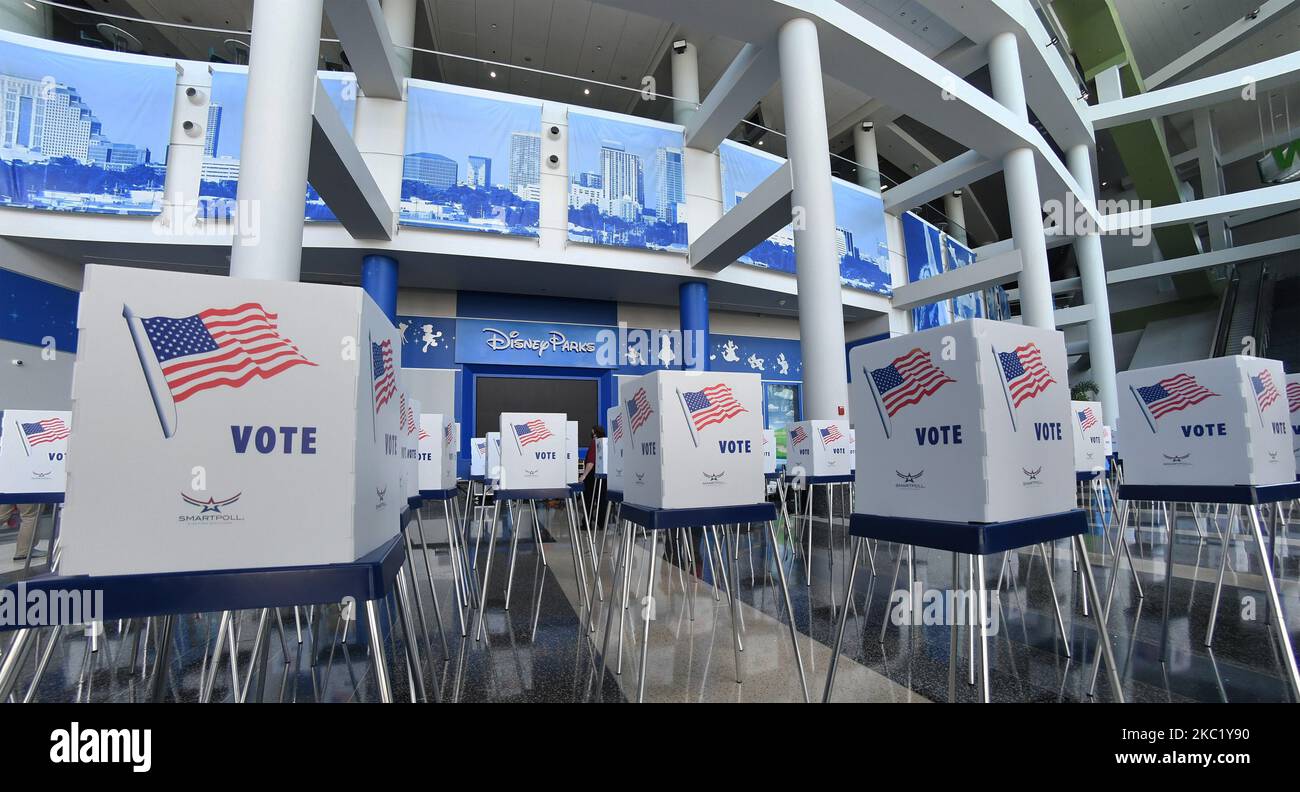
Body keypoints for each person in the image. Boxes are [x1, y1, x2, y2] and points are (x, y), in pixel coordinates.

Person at [579, 424, 605, 529]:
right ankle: (602, 523)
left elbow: (591, 461)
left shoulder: (595, 443)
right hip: (603, 476)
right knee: (601, 501)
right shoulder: (606, 443)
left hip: (592, 476)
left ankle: (587, 524)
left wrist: (584, 475)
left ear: (595, 433)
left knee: (588, 500)